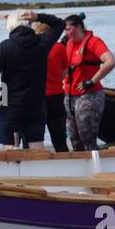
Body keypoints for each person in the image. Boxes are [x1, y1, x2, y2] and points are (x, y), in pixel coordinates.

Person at [0, 10, 63, 149]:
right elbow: (60, 24)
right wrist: (37, 17)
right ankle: (38, 170)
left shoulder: (4, 47)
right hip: (36, 104)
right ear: (29, 24)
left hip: (9, 105)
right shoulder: (42, 43)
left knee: (10, 148)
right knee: (36, 148)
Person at [61, 14, 114, 151]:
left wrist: (92, 81)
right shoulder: (68, 43)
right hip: (70, 96)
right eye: (64, 30)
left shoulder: (93, 42)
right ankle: (80, 170)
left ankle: (96, 168)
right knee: (73, 138)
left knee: (87, 137)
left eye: (68, 29)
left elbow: (110, 62)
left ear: (79, 27)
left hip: (89, 95)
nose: (66, 33)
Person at [42, 23, 68, 151]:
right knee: (59, 138)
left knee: (34, 138)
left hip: (37, 97)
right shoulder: (59, 47)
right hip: (56, 96)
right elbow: (64, 72)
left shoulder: (32, 48)